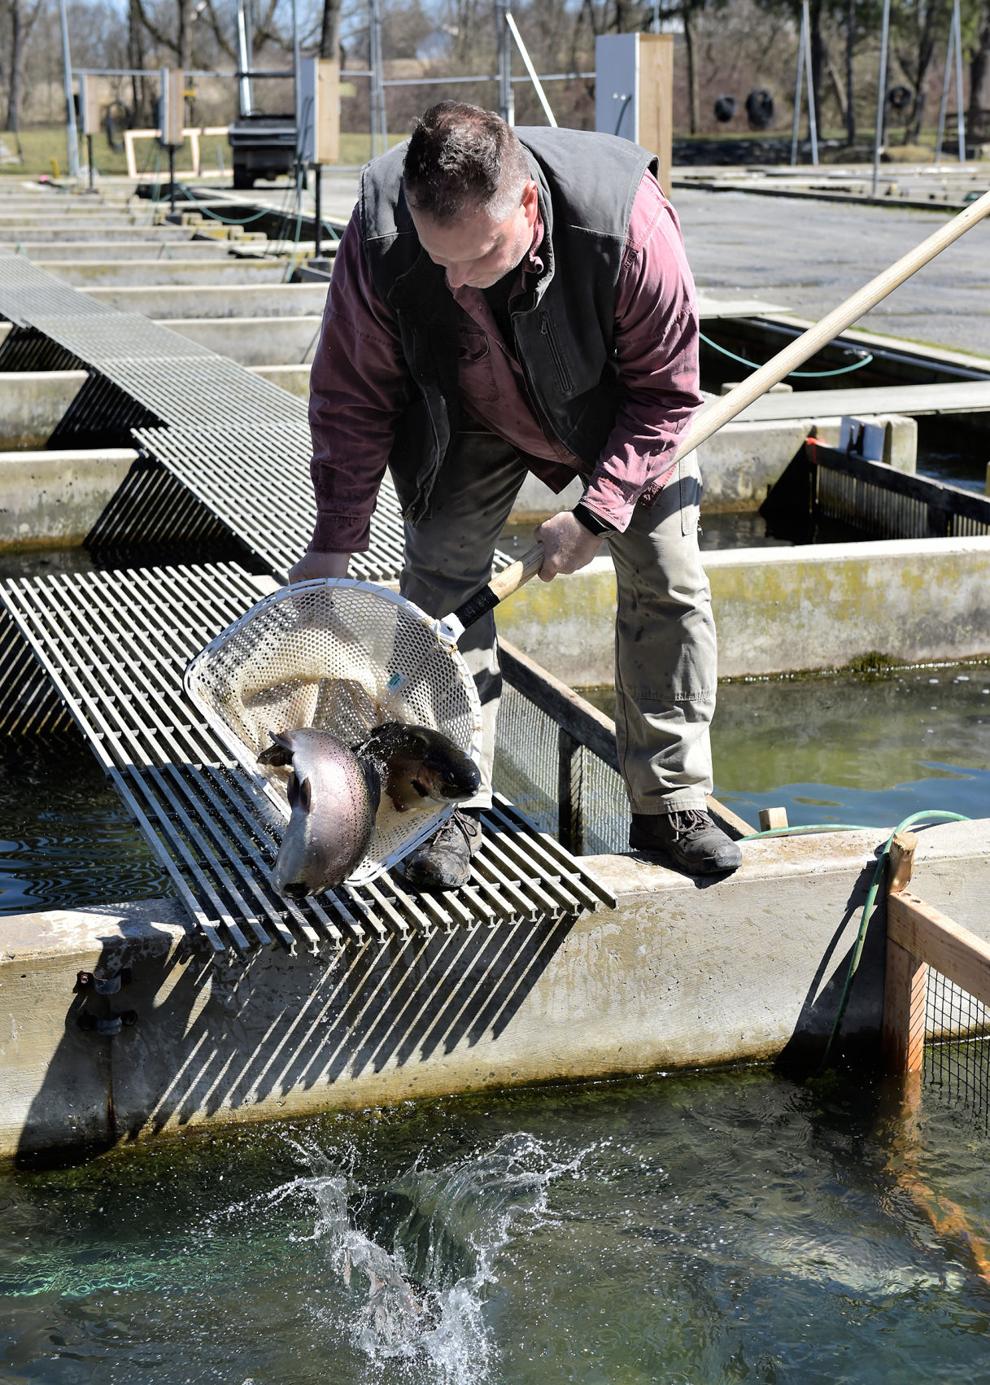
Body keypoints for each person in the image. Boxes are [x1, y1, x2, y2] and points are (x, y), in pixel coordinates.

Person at [289, 101, 742, 888]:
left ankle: (669, 803)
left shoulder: (626, 224)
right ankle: (446, 805)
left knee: (668, 580)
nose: (456, 279)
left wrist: (599, 512)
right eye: (441, 261)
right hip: (462, 404)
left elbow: (668, 395)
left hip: (614, 406)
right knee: (437, 586)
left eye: (479, 255)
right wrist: (335, 532)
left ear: (526, 204)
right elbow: (352, 390)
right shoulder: (379, 228)